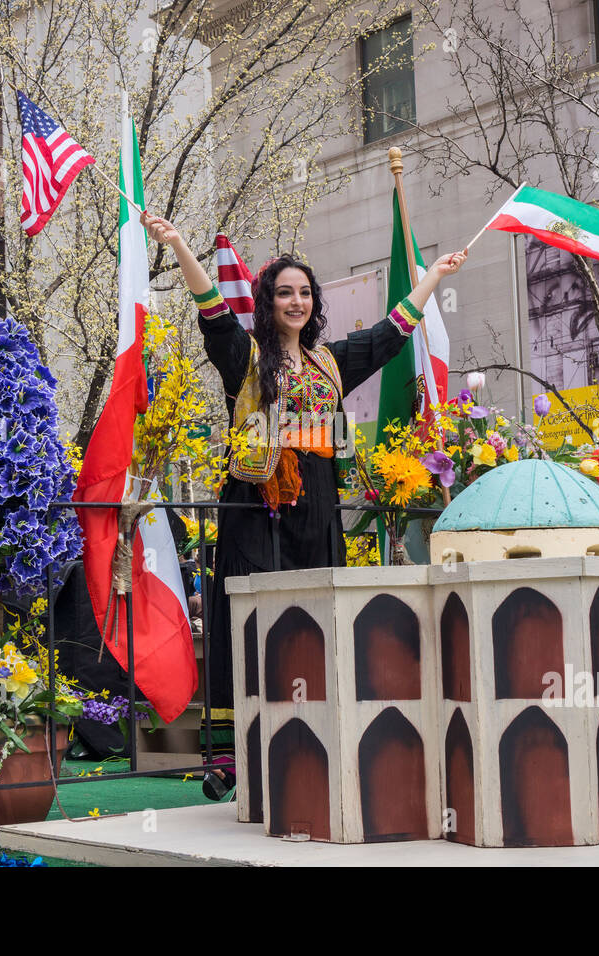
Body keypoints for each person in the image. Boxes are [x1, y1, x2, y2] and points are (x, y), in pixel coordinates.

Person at [140, 210, 466, 784]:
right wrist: (180, 245)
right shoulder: (245, 358)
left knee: (315, 613)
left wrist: (433, 275)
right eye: (285, 293)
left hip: (316, 501)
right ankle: (240, 757)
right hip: (255, 499)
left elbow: (391, 334)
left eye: (305, 293)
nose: (296, 301)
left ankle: (315, 742)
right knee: (256, 615)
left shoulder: (331, 360)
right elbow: (211, 310)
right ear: (267, 301)